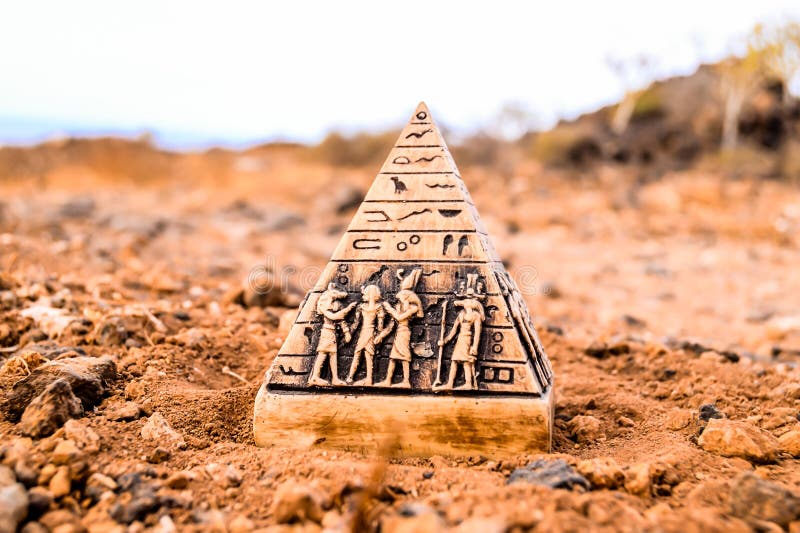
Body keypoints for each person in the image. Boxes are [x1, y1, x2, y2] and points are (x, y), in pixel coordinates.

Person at [376, 269, 422, 388]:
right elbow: (392, 325)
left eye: (402, 295)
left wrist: (389, 309)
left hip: (405, 333)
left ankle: (406, 381)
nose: (399, 296)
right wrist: (381, 335)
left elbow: (400, 318)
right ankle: (388, 380)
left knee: (404, 357)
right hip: (398, 333)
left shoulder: (413, 308)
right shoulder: (398, 306)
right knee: (393, 357)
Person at [434, 287, 484, 391]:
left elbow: (477, 333)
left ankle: (468, 383)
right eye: (466, 300)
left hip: (467, 339)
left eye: (469, 300)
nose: (466, 302)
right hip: (460, 339)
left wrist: (474, 347)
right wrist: (444, 341)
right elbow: (453, 331)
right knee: (454, 360)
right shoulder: (461, 315)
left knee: (466, 361)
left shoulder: (476, 316)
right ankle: (450, 384)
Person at [307, 283, 356, 386]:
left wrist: (346, 332)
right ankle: (315, 377)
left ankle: (335, 378)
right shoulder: (324, 306)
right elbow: (334, 317)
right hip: (327, 332)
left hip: (332, 333)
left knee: (333, 354)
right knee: (323, 353)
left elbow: (341, 320)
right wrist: (348, 309)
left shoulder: (335, 305)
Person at [345, 284, 389, 385]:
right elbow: (379, 326)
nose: (363, 295)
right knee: (361, 354)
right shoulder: (364, 307)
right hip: (366, 333)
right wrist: (348, 333)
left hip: (368, 333)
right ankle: (351, 377)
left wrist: (379, 337)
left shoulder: (378, 308)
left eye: (365, 293)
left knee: (365, 355)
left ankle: (365, 379)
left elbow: (356, 324)